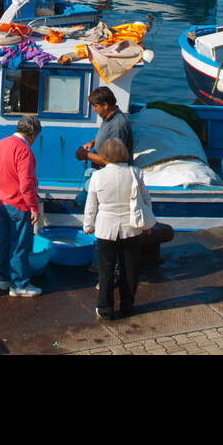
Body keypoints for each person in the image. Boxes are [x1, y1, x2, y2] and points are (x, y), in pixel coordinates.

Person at [82, 137, 154, 319]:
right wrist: (147, 225)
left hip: (106, 229)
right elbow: (146, 200)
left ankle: (105, 309)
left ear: (104, 155)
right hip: (132, 227)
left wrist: (88, 226)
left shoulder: (97, 176)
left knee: (105, 271)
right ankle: (127, 306)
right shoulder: (135, 173)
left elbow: (91, 206)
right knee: (130, 270)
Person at [0, 114, 42, 297]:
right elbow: (26, 183)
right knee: (20, 245)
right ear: (33, 134)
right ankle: (20, 284)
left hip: (1, 202)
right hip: (18, 205)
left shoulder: (0, 144)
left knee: (4, 242)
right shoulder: (24, 150)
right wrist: (34, 207)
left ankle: (4, 278)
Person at [77, 86, 133, 168]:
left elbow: (113, 161)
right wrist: (92, 143)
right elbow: (108, 135)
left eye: (95, 106)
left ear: (105, 105)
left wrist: (86, 155)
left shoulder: (118, 125)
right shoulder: (108, 116)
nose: (93, 109)